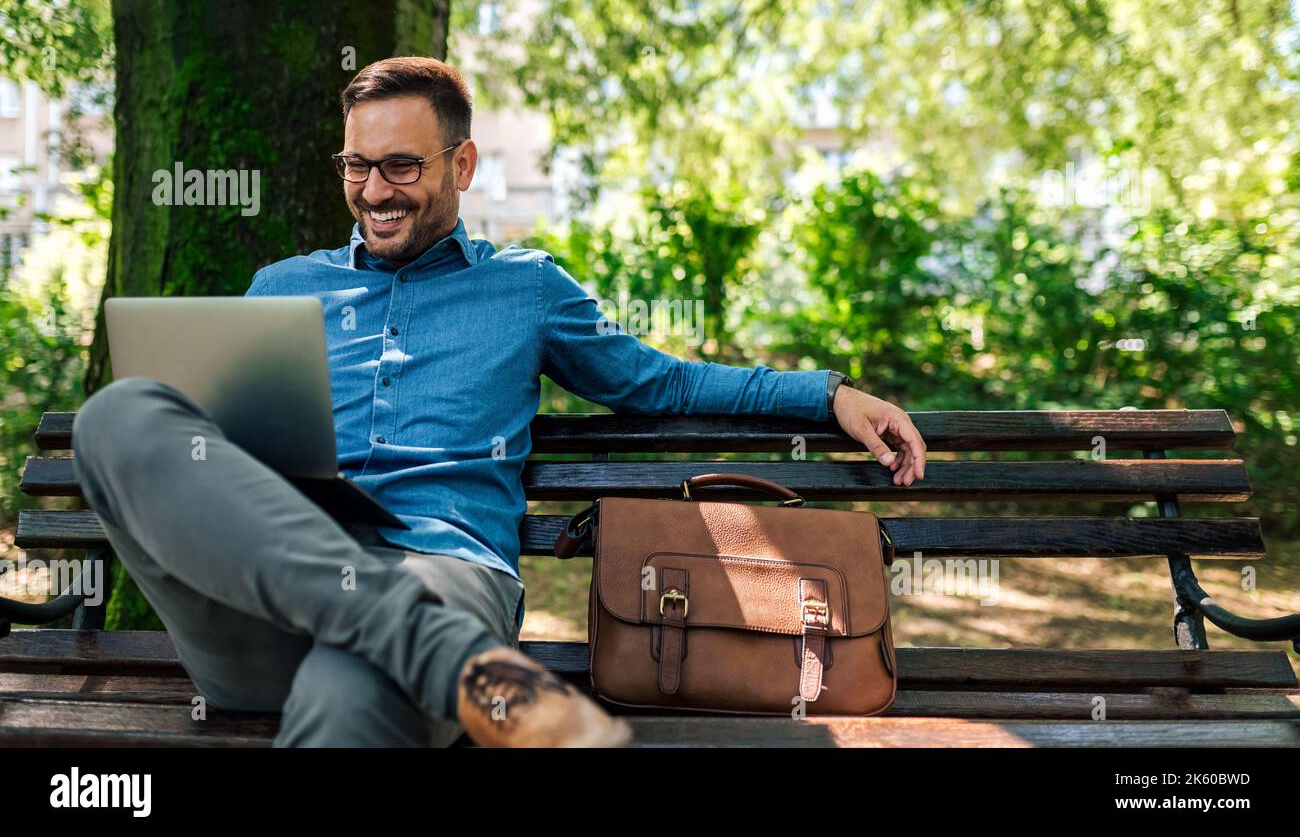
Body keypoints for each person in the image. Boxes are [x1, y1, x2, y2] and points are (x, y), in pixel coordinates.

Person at [73, 56, 927, 748]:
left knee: (351, 690)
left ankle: (419, 642)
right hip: (266, 612)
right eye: (356, 166)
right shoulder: (279, 287)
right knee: (118, 416)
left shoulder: (527, 290)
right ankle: (436, 651)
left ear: (463, 164)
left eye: (401, 165)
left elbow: (662, 380)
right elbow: (200, 468)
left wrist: (830, 393)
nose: (374, 191)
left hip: (444, 573)